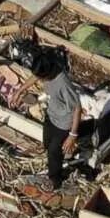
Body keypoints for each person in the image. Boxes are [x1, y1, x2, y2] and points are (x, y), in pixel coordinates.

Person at [37, 50, 80, 191]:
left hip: (63, 124)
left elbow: (77, 108)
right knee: (47, 143)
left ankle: (55, 179)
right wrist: (20, 91)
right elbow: (34, 76)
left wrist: (72, 135)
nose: (41, 81)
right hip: (51, 115)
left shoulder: (63, 84)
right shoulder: (46, 70)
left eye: (42, 78)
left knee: (54, 152)